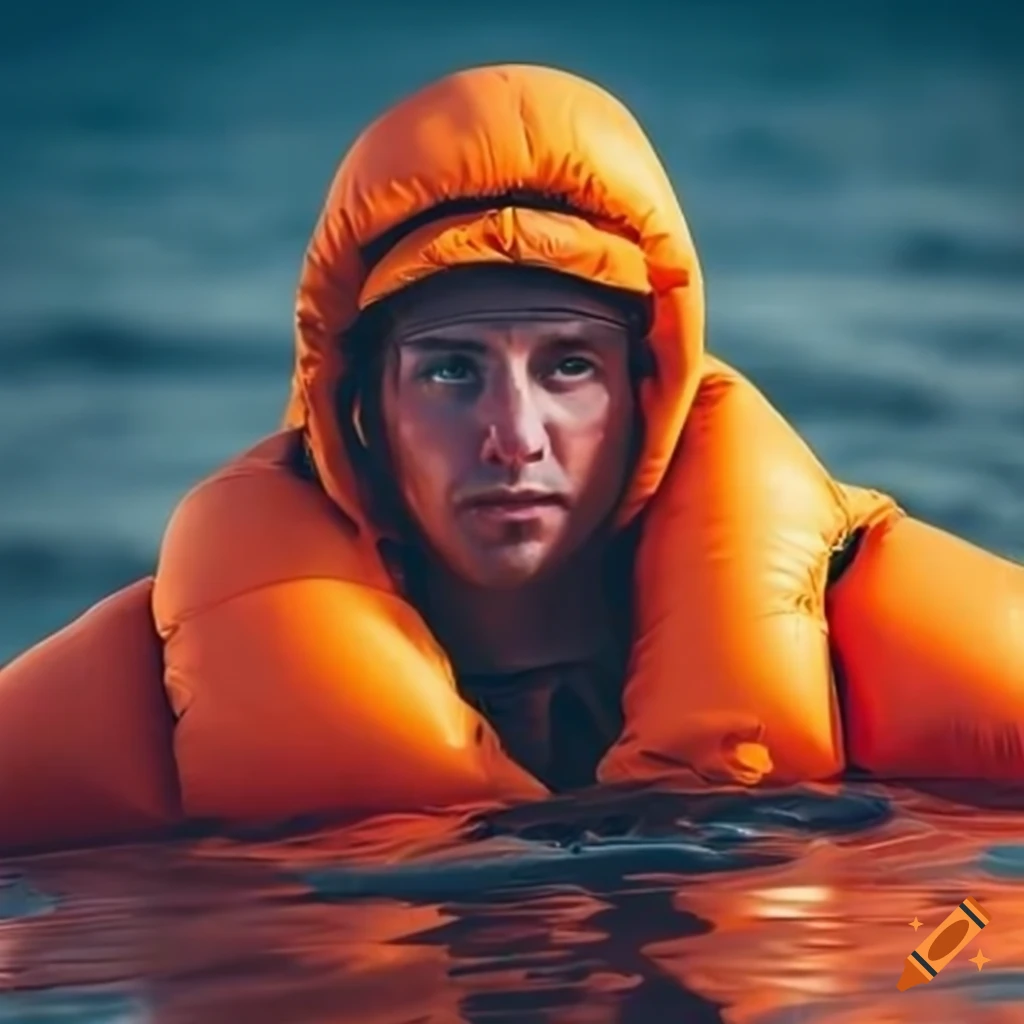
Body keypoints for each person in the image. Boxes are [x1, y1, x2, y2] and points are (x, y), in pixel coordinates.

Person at [1, 64, 1022, 854]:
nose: (514, 434)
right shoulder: (159, 688)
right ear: (359, 406)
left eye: (568, 367)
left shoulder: (881, 628)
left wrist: (926, 959)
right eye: (450, 371)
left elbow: (972, 935)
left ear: (646, 393)